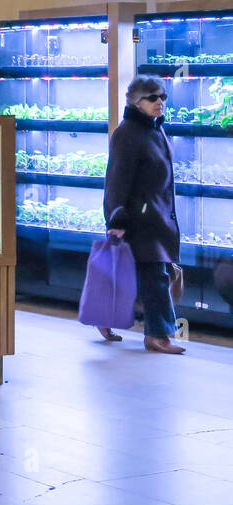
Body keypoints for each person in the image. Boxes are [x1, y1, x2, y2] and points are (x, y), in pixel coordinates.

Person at [103, 77, 183, 354]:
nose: (159, 101)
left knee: (136, 275)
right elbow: (117, 180)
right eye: (152, 97)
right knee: (155, 276)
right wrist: (117, 218)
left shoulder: (155, 129)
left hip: (157, 217)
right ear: (136, 103)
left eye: (162, 97)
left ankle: (104, 316)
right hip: (139, 220)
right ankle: (157, 336)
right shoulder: (127, 134)